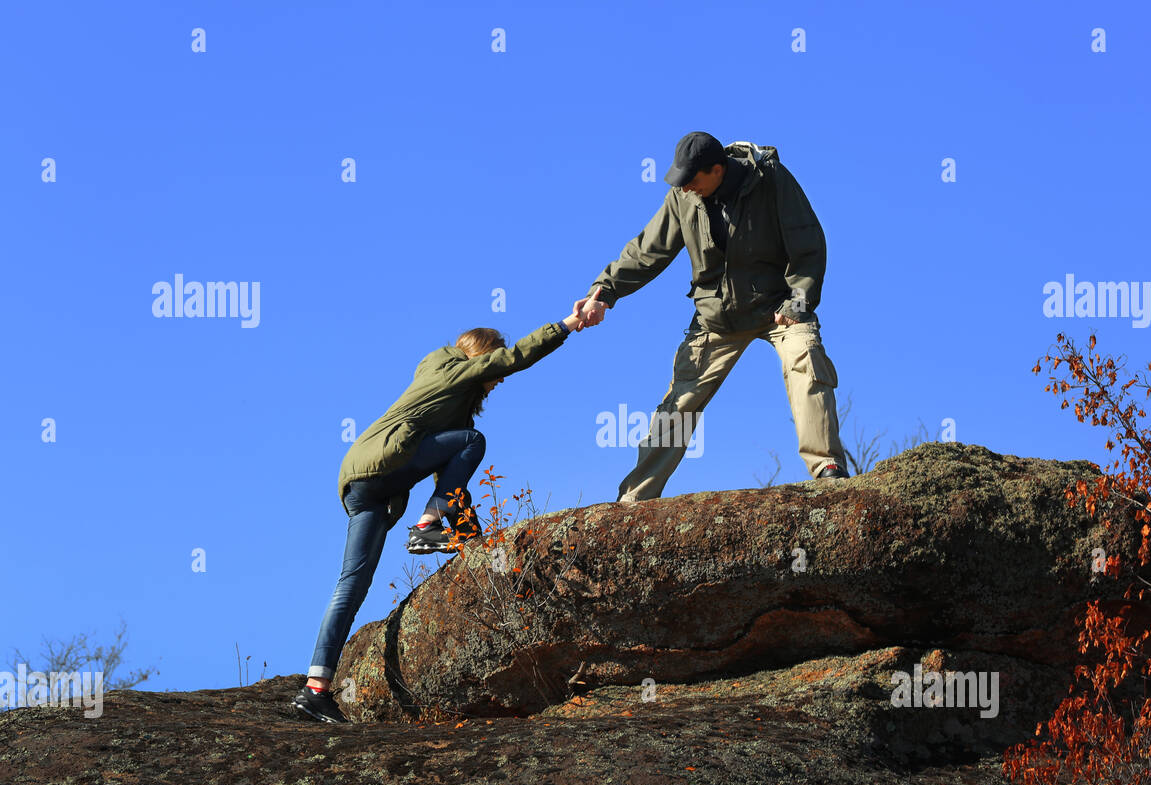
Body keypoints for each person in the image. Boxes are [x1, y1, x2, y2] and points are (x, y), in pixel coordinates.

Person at [292, 309, 590, 723]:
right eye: (493, 362)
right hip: (382, 464)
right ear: (481, 355)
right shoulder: (453, 371)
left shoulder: (448, 394)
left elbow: (450, 486)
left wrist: (473, 543)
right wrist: (566, 326)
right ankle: (424, 529)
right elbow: (515, 358)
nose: (499, 378)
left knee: (351, 585)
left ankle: (314, 690)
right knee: (474, 441)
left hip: (363, 484)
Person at [575, 131, 850, 502]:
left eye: (692, 180)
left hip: (778, 308)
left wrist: (796, 304)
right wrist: (604, 293)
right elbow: (647, 252)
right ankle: (635, 498)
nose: (685, 188)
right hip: (715, 318)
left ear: (718, 170)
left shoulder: (772, 181)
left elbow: (809, 245)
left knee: (807, 361)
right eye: (681, 181)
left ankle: (827, 469)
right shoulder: (683, 196)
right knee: (679, 404)